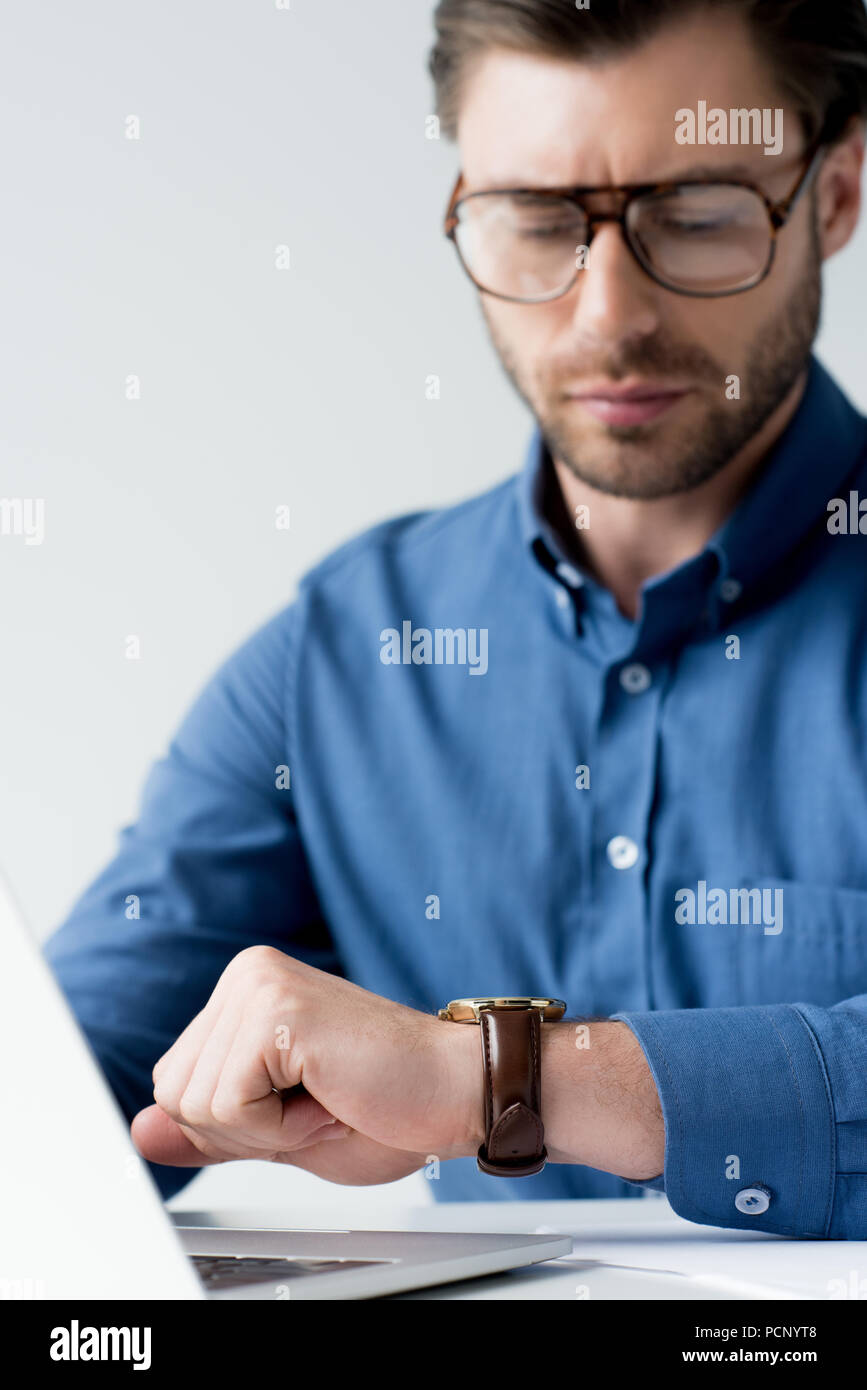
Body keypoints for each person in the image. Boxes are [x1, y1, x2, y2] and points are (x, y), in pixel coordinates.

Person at [46, 0, 867, 1236]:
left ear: (838, 193)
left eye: (697, 218)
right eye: (539, 223)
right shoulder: (338, 656)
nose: (607, 318)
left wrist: (488, 1078)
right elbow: (57, 1103)